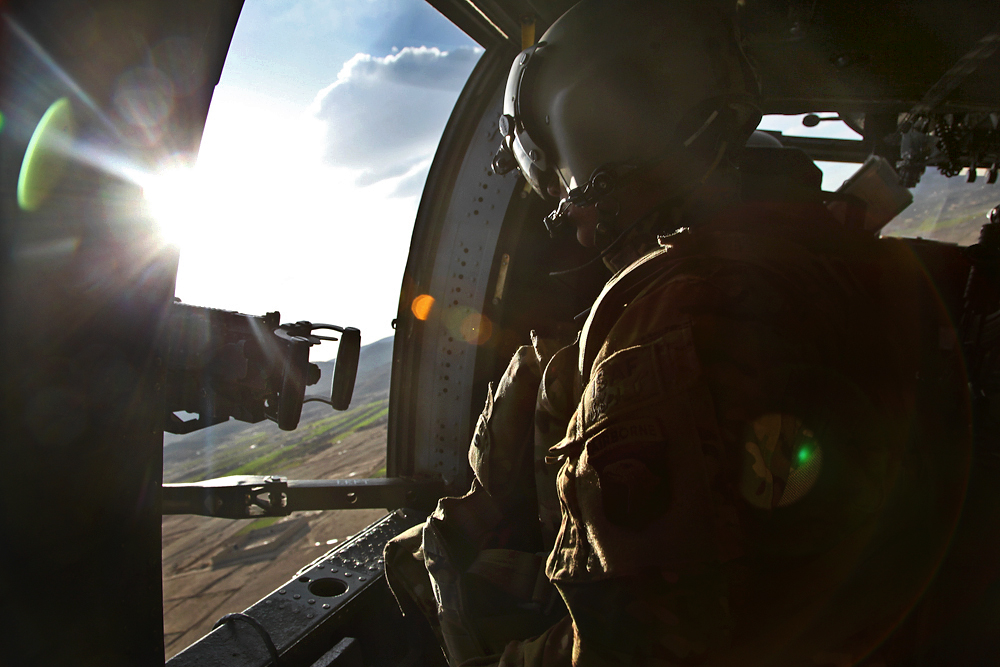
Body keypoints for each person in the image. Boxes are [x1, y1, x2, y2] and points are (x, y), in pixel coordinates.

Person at [386, 1, 973, 665]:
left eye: (571, 198)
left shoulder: (670, 328)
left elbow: (635, 649)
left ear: (597, 148)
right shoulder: (852, 260)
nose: (577, 227)